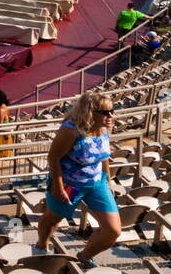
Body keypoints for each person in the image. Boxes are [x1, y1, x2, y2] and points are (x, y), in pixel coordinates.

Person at [35, 91, 122, 263]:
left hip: (97, 183)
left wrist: (108, 180)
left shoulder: (106, 126)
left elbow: (103, 155)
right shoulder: (70, 131)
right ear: (90, 112)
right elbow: (54, 157)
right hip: (70, 184)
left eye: (112, 111)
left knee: (113, 231)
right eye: (105, 112)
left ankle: (84, 257)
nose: (110, 115)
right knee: (53, 218)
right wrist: (58, 187)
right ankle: (41, 244)